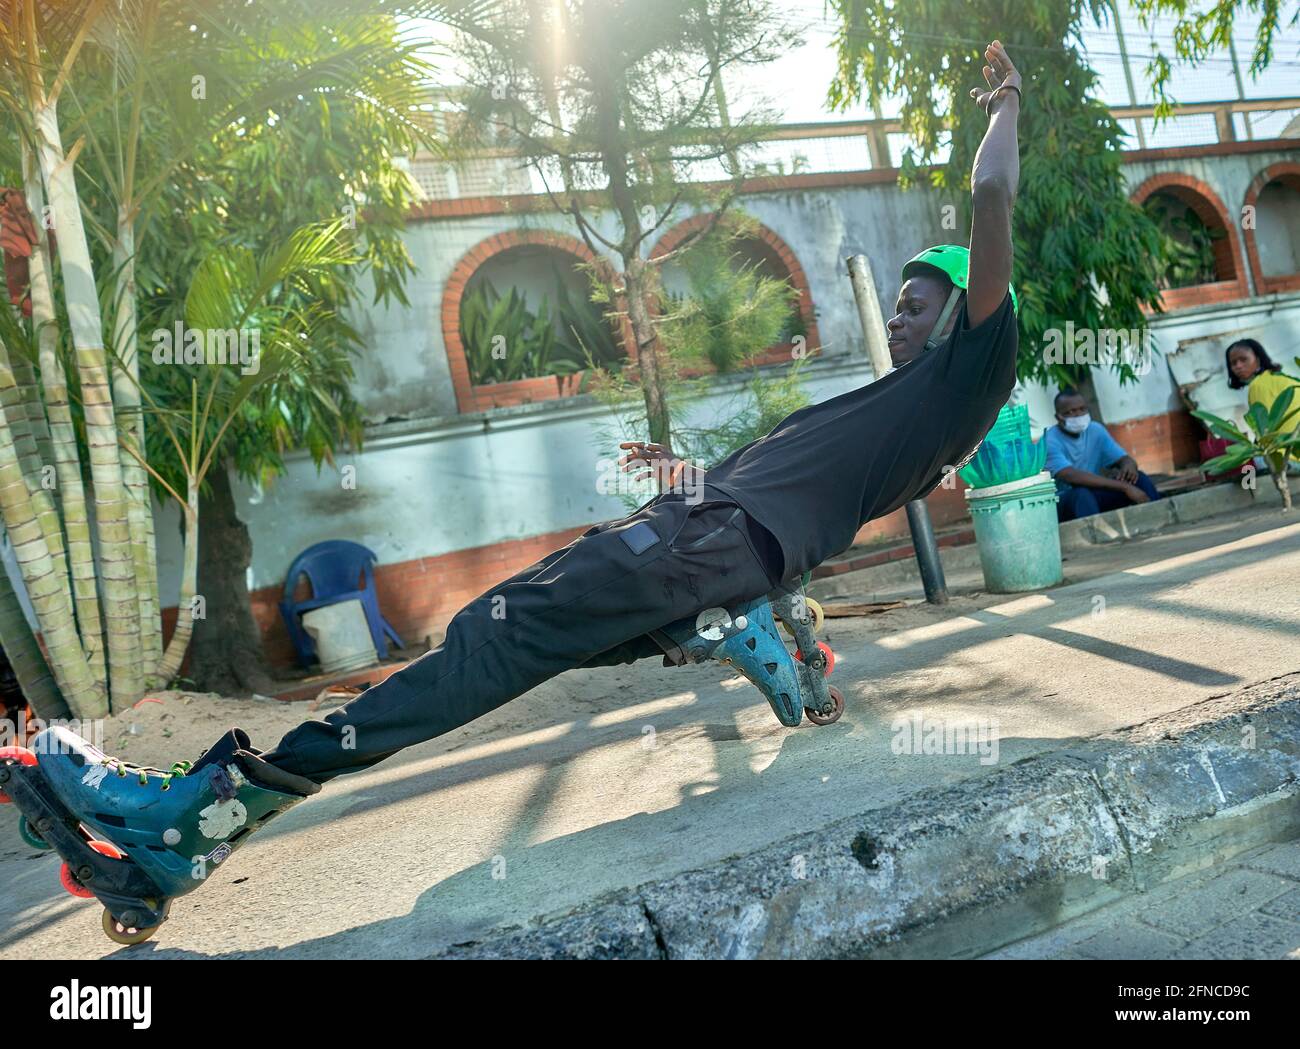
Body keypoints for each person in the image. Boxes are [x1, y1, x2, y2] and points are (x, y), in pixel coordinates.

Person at [19, 42, 1025, 926]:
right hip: (704, 545)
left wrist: (1005, 113)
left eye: (914, 303)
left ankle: (195, 815)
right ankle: (728, 623)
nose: (895, 320)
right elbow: (777, 494)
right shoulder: (885, 413)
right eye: (893, 305)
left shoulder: (963, 377)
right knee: (522, 637)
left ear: (961, 315)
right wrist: (679, 483)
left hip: (699, 548)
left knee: (489, 641)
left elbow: (988, 203)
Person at [1045, 389, 1160, 521]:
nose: (1078, 415)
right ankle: (1095, 536)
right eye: (1071, 412)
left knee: (1139, 479)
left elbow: (1124, 459)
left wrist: (1129, 467)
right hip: (1063, 501)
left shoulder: (1095, 430)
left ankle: (1159, 516)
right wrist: (1124, 487)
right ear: (1058, 417)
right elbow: (1071, 476)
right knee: (1081, 495)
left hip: (1093, 493)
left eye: (1082, 409)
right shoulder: (1049, 441)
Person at [1225, 339, 1300, 473]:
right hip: (1294, 450)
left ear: (1258, 359)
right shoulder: (1281, 378)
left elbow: (1265, 431)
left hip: (1290, 457)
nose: (1238, 366)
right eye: (1233, 363)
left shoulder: (1258, 386)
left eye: (1243, 360)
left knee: (1251, 464)